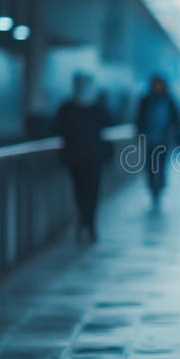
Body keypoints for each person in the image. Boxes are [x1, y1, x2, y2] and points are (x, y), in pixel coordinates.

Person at [54, 72, 112, 242]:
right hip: (92, 158)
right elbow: (108, 126)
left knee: (81, 192)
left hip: (76, 158)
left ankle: (85, 221)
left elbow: (57, 128)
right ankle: (88, 223)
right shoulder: (98, 109)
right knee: (90, 192)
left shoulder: (67, 108)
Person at [135, 74, 180, 211]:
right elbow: (139, 119)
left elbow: (177, 120)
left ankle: (160, 186)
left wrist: (179, 139)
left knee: (161, 165)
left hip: (163, 139)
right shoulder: (146, 100)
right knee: (150, 165)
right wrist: (140, 134)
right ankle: (153, 187)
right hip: (149, 139)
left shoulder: (169, 100)